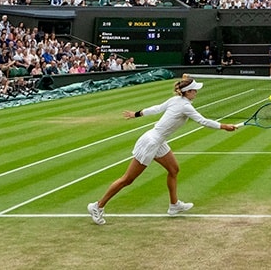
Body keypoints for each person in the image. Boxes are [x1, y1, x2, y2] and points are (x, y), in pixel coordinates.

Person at [88, 77, 237, 224]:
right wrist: (224, 126)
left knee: (174, 170)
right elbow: (203, 121)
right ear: (188, 92)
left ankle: (174, 205)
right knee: (127, 179)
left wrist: (137, 114)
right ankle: (98, 206)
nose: (196, 92)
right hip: (150, 142)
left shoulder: (176, 100)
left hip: (158, 141)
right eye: (195, 90)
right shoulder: (185, 106)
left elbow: (156, 108)